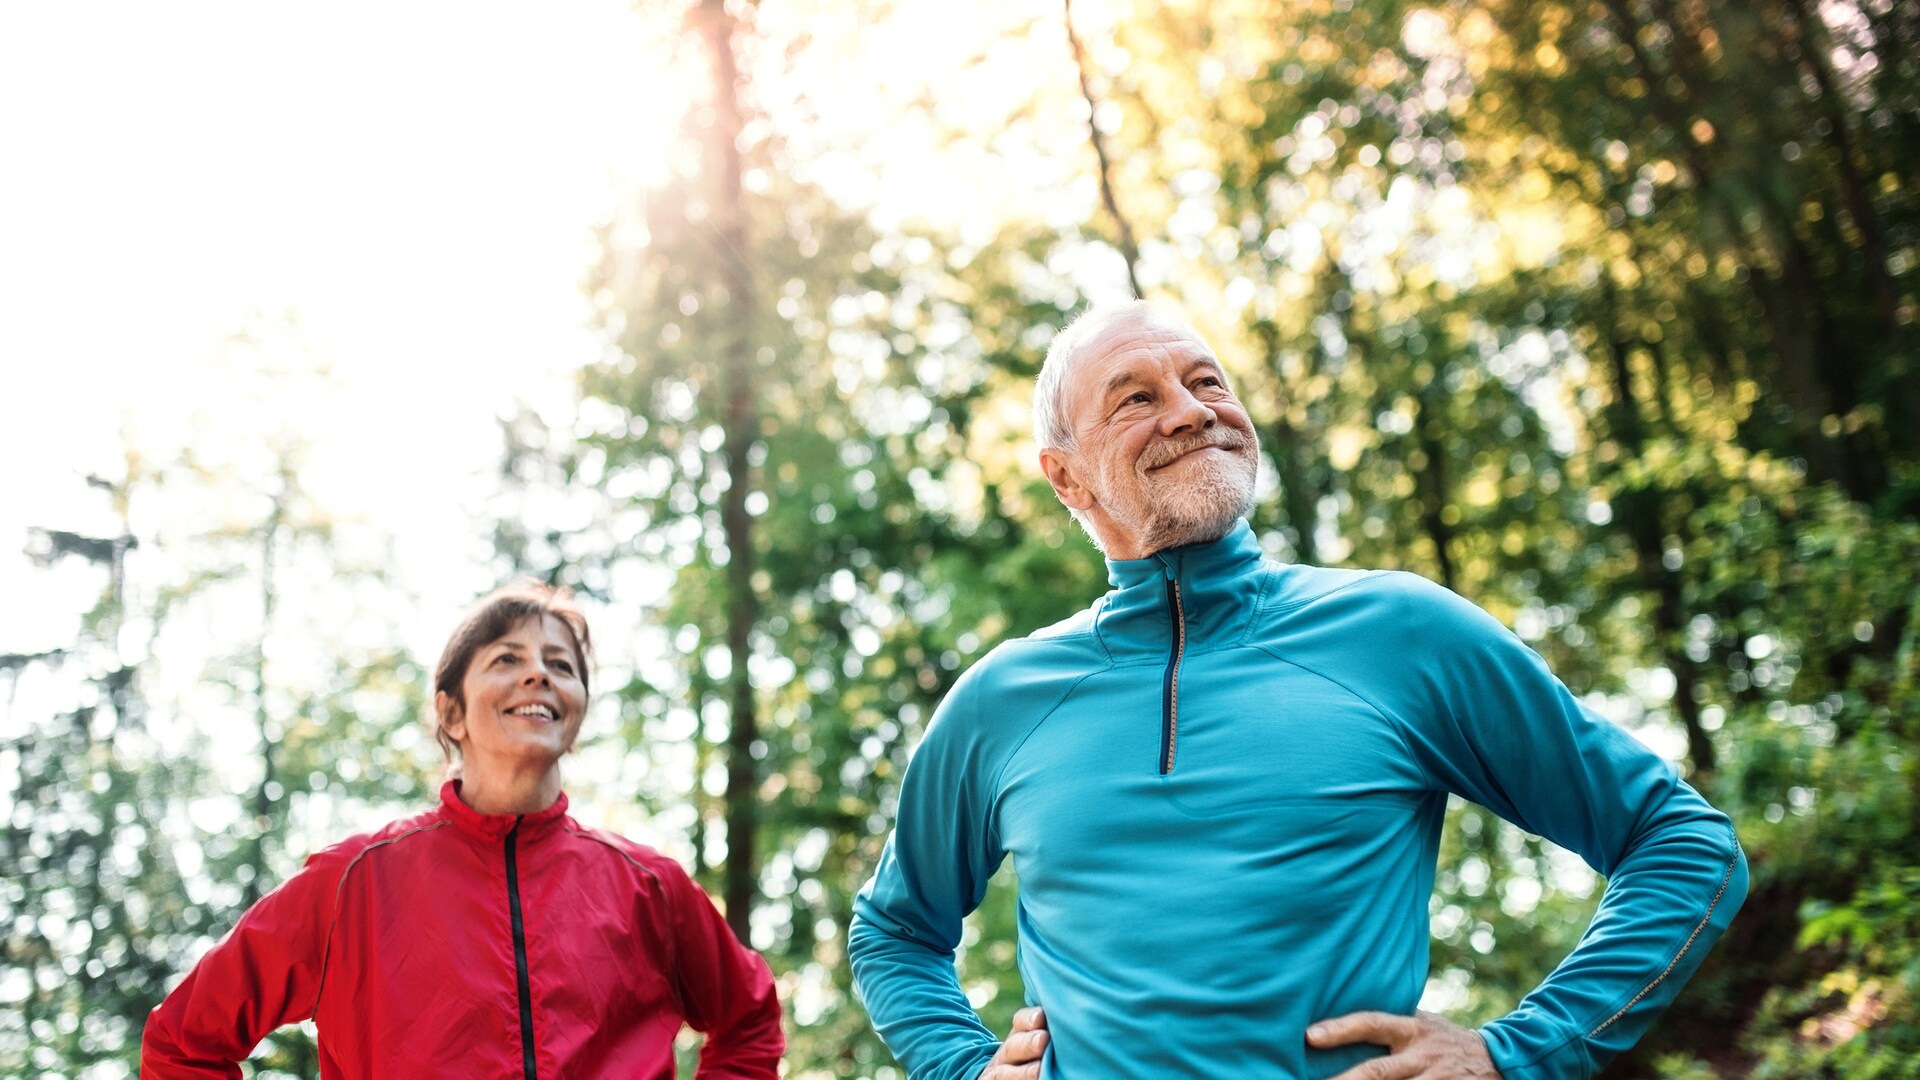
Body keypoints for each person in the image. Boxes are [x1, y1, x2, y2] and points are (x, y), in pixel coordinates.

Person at [848, 301, 1747, 1080]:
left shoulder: (1401, 632)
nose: (1192, 413)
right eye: (1138, 397)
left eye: (1208, 383)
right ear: (1066, 475)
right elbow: (894, 933)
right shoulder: (1003, 697)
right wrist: (961, 1065)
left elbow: (1681, 844)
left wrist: (1519, 1053)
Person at [143, 583, 784, 1078]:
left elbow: (749, 1019)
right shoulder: (352, 882)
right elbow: (183, 1042)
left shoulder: (651, 886)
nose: (540, 674)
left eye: (562, 666)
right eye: (509, 658)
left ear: (577, 713)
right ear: (451, 711)